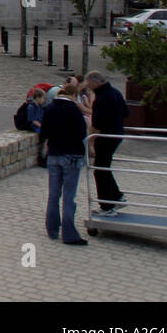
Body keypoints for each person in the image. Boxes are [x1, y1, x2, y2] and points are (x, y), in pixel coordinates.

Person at [40, 80, 89, 245]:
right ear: (73, 95)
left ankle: (52, 229)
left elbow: (44, 132)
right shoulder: (73, 110)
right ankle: (69, 234)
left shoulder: (50, 108)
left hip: (54, 154)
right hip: (72, 155)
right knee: (69, 196)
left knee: (53, 194)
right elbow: (82, 132)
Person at [85, 70, 129, 213]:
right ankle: (117, 197)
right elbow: (126, 112)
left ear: (95, 82)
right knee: (104, 167)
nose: (87, 85)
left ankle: (107, 206)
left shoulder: (102, 98)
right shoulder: (115, 92)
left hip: (105, 138)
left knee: (100, 170)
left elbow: (96, 124)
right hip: (117, 135)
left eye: (88, 82)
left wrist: (89, 141)